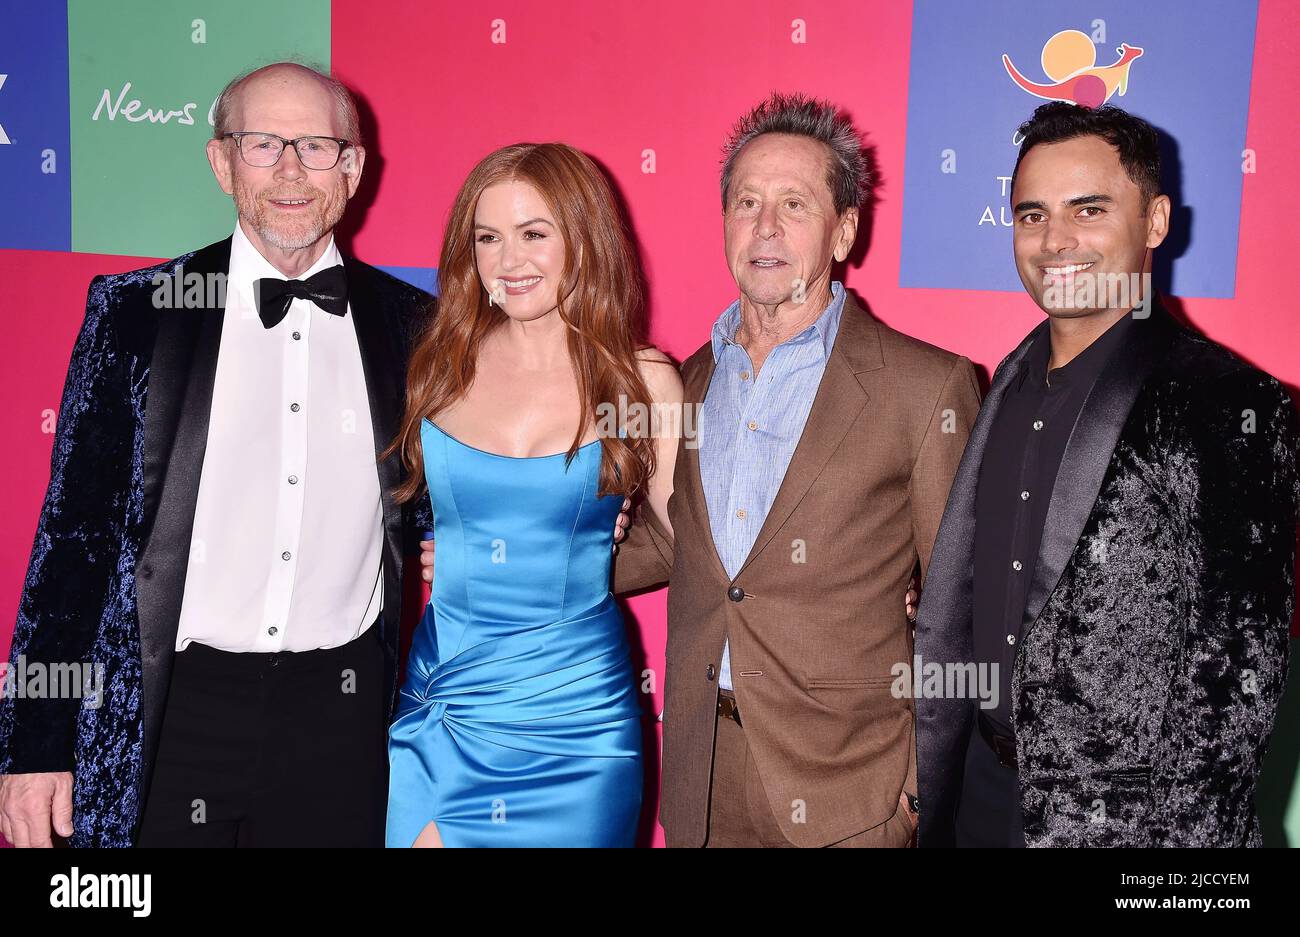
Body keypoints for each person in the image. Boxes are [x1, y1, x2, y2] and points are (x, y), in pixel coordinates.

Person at [0, 62, 436, 848]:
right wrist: (32, 745)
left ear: (354, 167)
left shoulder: (417, 326)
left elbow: (456, 501)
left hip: (341, 713)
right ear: (221, 161)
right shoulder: (137, 312)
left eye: (315, 144)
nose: (292, 170)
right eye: (263, 144)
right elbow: (72, 536)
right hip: (174, 708)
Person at [914, 103, 1298, 847]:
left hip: (1128, 833)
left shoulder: (1231, 403)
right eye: (1032, 216)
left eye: (1088, 210)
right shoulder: (1006, 384)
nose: (1055, 241)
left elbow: (1234, 694)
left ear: (1154, 221)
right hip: (978, 800)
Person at [609, 92, 981, 847]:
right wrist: (510, 552)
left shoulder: (926, 386)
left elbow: (961, 607)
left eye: (794, 203)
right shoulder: (686, 381)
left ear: (844, 230)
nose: (766, 227)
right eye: (747, 202)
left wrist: (913, 792)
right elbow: (668, 543)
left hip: (851, 793)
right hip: (700, 779)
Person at [384, 142, 683, 847]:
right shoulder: (439, 365)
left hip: (579, 724)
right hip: (448, 706)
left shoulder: (639, 384)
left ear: (583, 238)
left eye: (533, 234)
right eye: (487, 237)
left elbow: (701, 545)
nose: (508, 260)